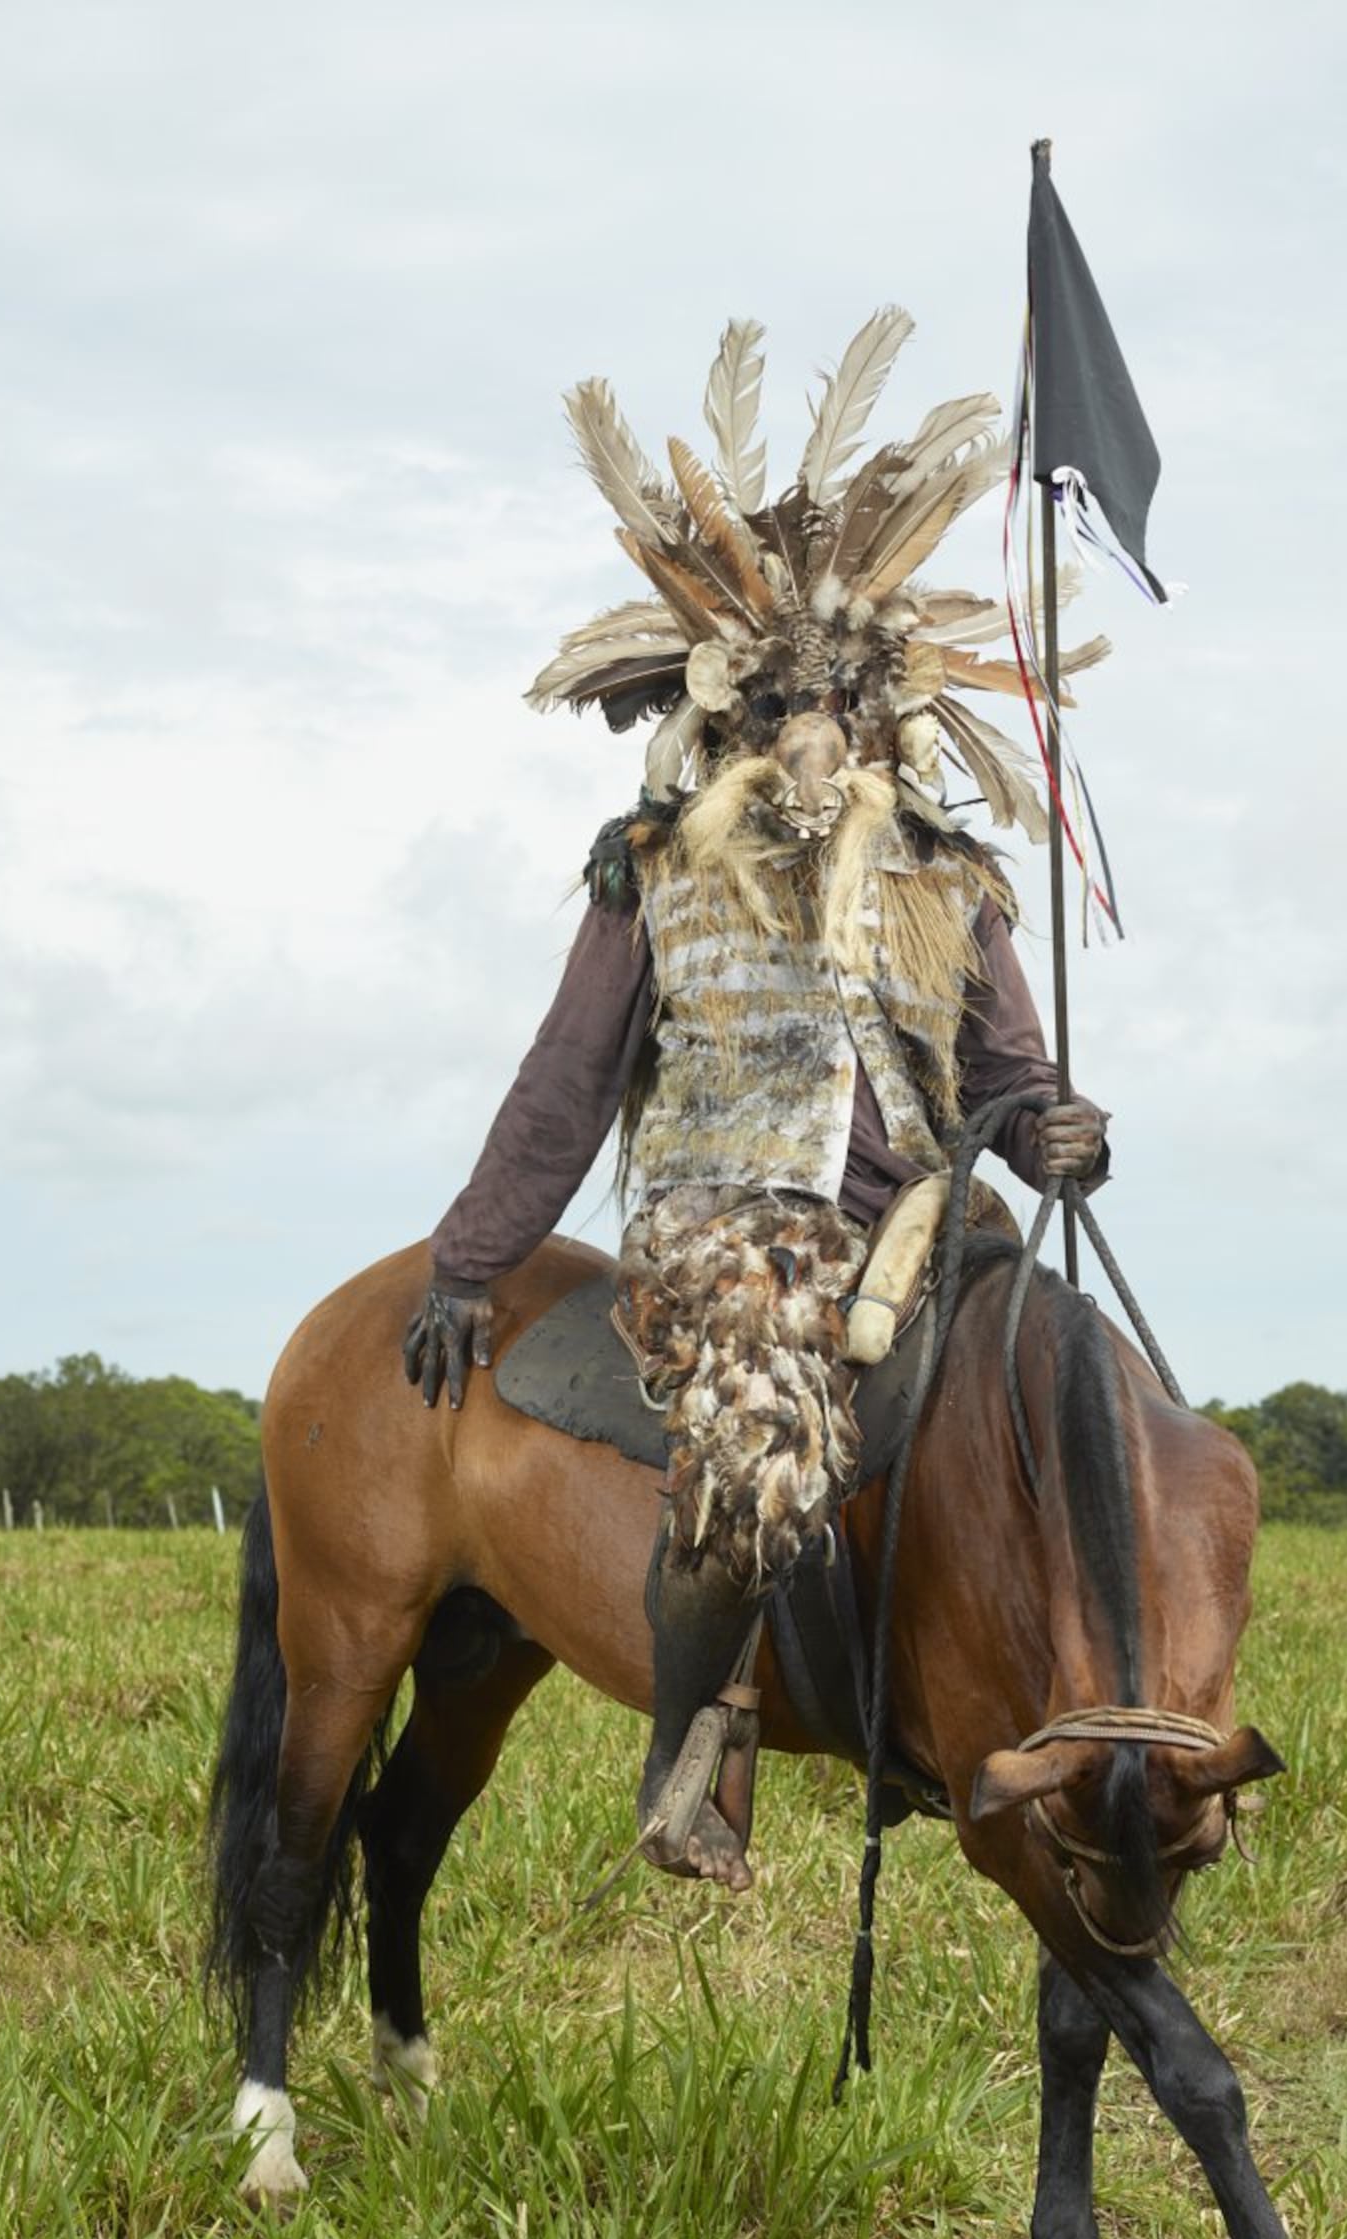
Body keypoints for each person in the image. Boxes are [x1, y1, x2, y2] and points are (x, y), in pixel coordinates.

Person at [404, 310, 1110, 1887]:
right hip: (730, 1224)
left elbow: (1008, 1073)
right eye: (777, 704)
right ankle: (689, 1751)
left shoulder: (949, 875)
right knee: (764, 1434)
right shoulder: (654, 876)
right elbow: (567, 1080)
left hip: (926, 1218)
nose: (810, 739)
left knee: (1071, 1395)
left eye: (840, 706)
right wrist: (469, 1258)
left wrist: (1061, 1126)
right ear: (721, 714)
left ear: (882, 721)